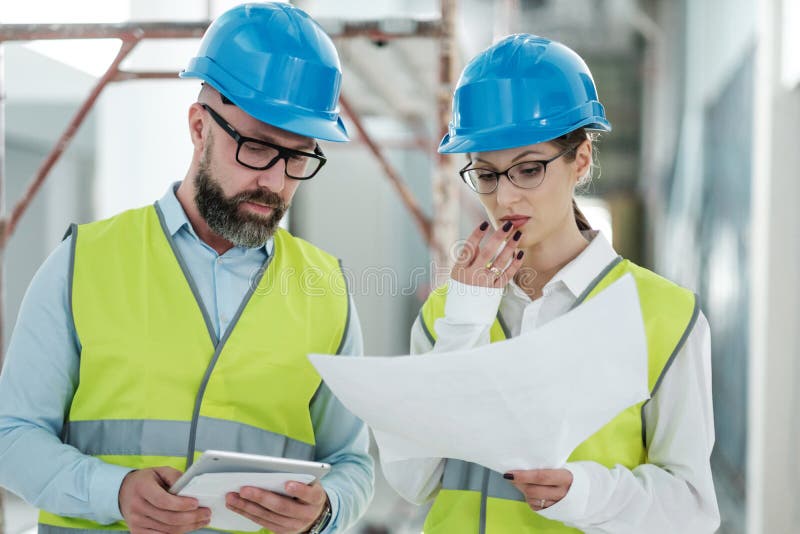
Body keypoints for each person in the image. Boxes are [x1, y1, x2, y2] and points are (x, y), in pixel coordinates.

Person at [0, 3, 374, 534]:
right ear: (200, 127)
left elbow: (352, 463)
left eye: (299, 157)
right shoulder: (86, 261)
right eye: (256, 147)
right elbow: (11, 435)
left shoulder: (326, 288)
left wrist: (326, 509)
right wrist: (114, 491)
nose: (275, 180)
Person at [381, 34, 720, 533]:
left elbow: (692, 508)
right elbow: (414, 480)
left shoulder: (665, 317)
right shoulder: (446, 313)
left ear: (580, 160)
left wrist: (585, 493)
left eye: (529, 169)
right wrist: (464, 328)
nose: (505, 196)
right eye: (488, 175)